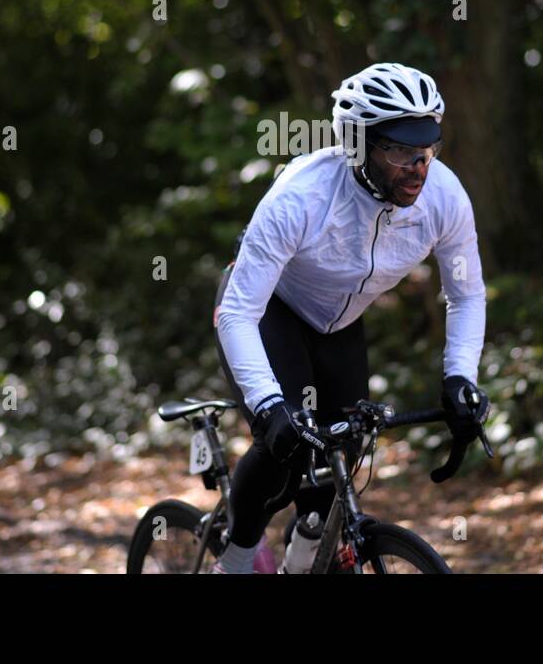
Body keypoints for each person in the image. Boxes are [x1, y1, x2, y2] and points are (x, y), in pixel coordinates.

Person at [210, 62, 490, 573]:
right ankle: (234, 560)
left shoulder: (444, 197)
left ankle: (302, 556)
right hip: (268, 309)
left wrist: (459, 378)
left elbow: (467, 295)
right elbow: (239, 312)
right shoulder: (302, 197)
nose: (419, 166)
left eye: (428, 148)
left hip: (338, 325)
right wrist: (270, 407)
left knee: (336, 462)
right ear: (358, 146)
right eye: (401, 151)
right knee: (284, 451)